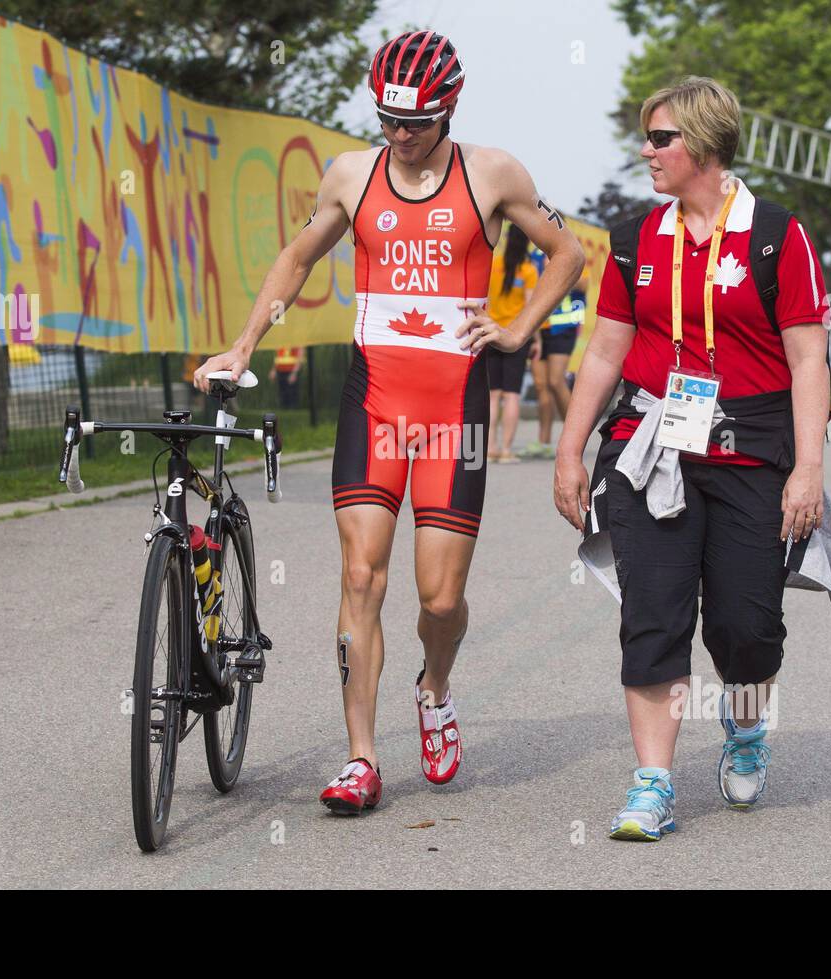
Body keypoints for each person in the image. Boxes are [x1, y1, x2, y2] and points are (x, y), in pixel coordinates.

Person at [193, 29, 583, 815]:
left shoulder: (493, 172)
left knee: (438, 598)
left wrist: (514, 328)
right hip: (374, 402)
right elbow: (297, 259)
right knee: (361, 576)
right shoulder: (350, 174)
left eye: (415, 122)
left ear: (449, 109)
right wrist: (243, 344)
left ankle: (434, 687)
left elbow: (569, 253)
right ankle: (361, 757)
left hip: (453, 410)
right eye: (387, 120)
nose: (400, 137)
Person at [554, 76, 831, 840]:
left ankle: (745, 728)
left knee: (747, 628)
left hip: (752, 448)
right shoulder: (634, 238)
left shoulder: (778, 235)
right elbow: (608, 347)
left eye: (661, 138)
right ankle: (652, 783)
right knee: (653, 615)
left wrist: (807, 468)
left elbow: (810, 360)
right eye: (646, 137)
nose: (646, 151)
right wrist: (570, 446)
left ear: (705, 145)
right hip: (649, 444)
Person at [522, 259, 588, 459]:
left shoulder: (569, 254)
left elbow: (584, 284)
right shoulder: (533, 258)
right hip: (539, 331)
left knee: (555, 381)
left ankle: (576, 437)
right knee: (542, 386)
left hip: (564, 328)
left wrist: (559, 268)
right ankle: (544, 441)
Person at [485, 225, 539, 463]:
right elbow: (530, 307)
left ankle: (490, 448)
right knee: (512, 395)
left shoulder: (493, 264)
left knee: (493, 395)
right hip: (516, 337)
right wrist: (536, 338)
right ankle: (506, 450)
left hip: (489, 333)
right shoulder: (528, 270)